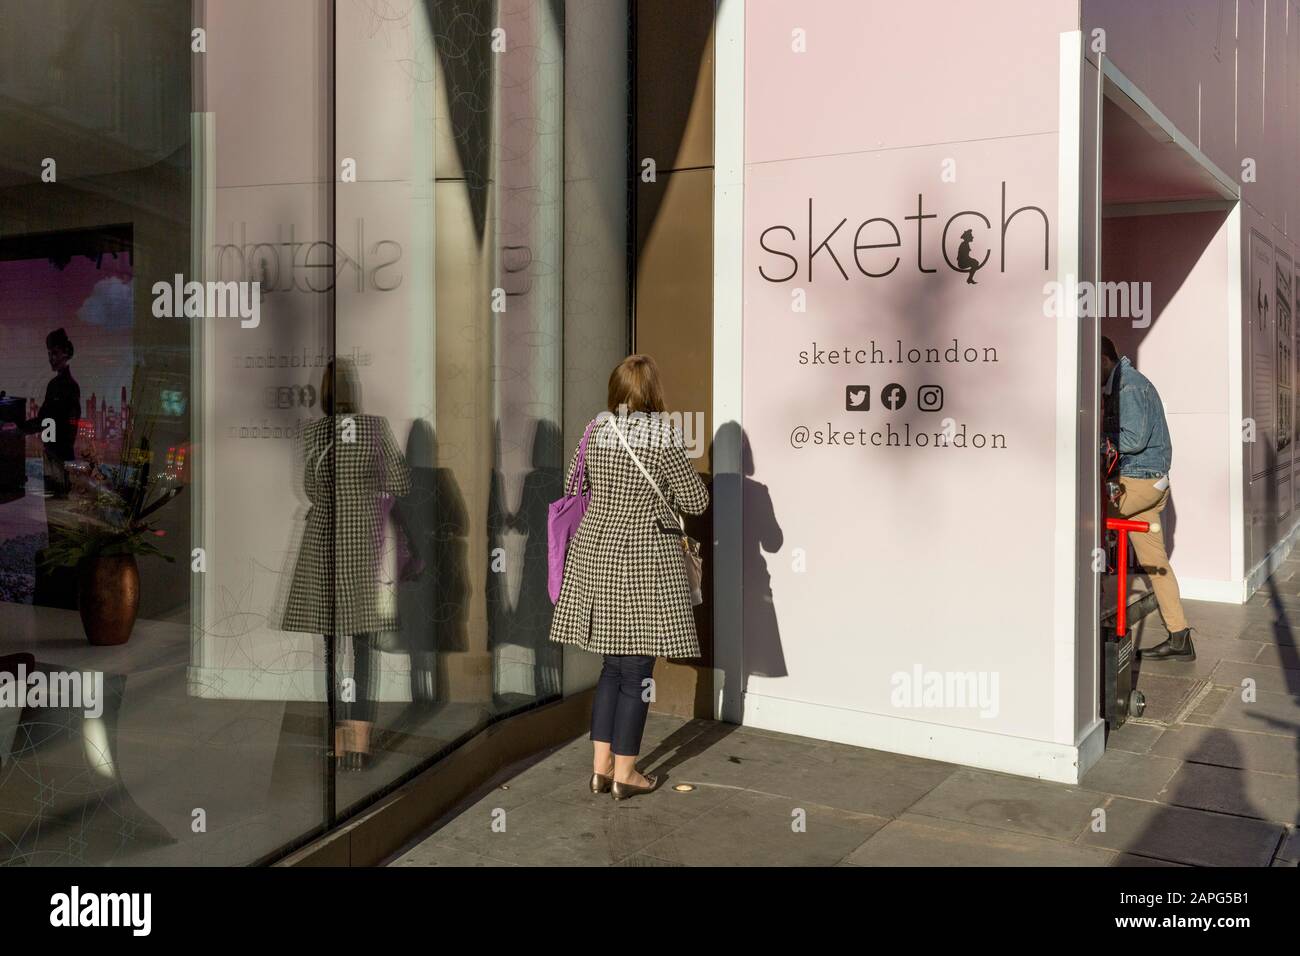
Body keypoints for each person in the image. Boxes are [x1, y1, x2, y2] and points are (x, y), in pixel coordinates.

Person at [549, 355, 709, 800]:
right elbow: (695, 501)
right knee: (637, 670)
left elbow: (575, 488)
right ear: (652, 390)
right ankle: (627, 773)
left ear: (616, 389)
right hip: (643, 559)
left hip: (596, 553)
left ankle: (600, 769)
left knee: (611, 667)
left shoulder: (595, 430)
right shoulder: (663, 435)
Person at [281, 359, 412, 771]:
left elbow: (310, 488)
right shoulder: (374, 428)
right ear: (353, 390)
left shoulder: (315, 432)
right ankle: (359, 745)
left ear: (323, 392)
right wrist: (366, 487)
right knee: (363, 649)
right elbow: (401, 482)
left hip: (323, 542)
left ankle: (336, 745)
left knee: (331, 650)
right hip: (362, 544)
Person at [1100, 336, 1193, 661]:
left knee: (1083, 516)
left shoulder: (1129, 386)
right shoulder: (1123, 384)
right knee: (1156, 564)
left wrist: (1093, 438)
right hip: (1150, 485)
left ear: (1104, 360)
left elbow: (1133, 439)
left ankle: (1084, 608)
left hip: (1138, 481)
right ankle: (1180, 637)